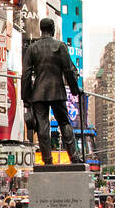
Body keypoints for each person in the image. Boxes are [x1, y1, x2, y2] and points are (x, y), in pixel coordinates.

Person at [20, 18, 82, 164]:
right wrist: (75, 90)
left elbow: (26, 75)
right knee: (64, 123)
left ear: (41, 29)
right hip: (57, 91)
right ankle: (74, 157)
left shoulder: (32, 48)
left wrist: (26, 98)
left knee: (42, 126)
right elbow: (68, 70)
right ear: (53, 29)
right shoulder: (60, 46)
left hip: (39, 93)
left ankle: (47, 160)